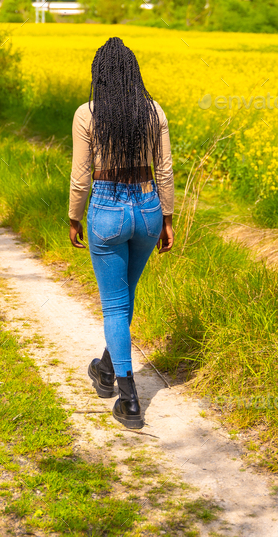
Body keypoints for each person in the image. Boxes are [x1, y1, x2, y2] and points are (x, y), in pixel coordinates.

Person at [68, 36, 174, 429]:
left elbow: (81, 177)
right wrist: (167, 216)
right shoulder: (154, 111)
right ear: (133, 74)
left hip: (108, 209)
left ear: (100, 75)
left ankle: (129, 401)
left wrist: (74, 217)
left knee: (114, 304)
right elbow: (164, 169)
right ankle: (106, 371)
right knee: (125, 295)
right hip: (147, 208)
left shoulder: (88, 113)